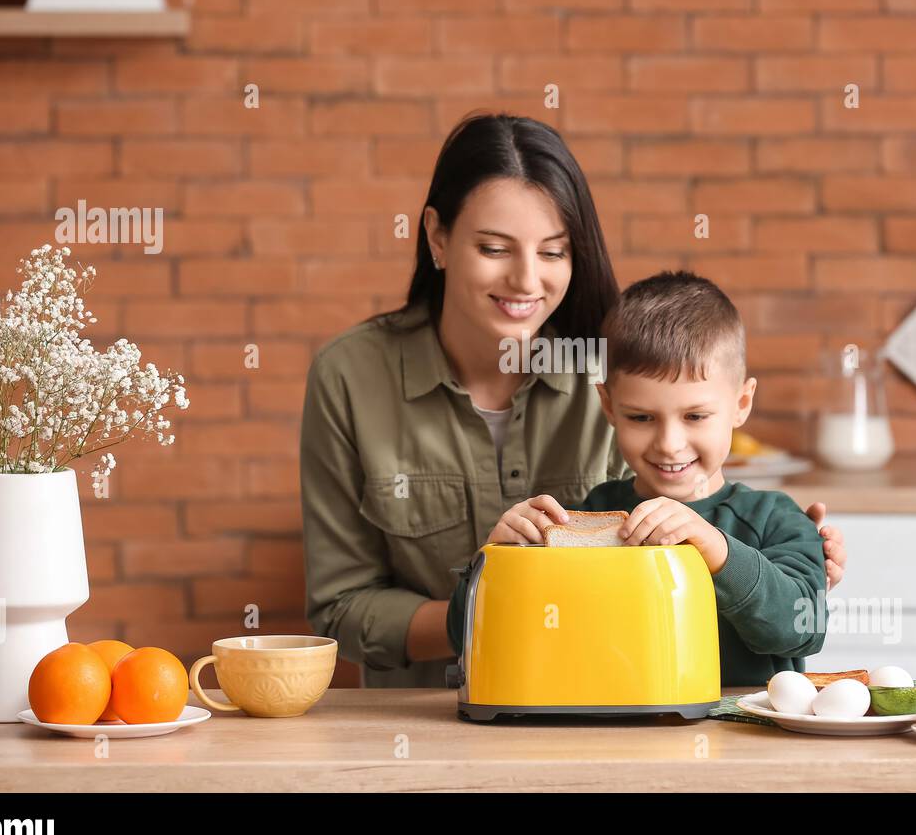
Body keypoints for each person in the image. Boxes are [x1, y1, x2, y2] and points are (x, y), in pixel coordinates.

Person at [301, 113, 847, 687]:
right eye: (493, 247)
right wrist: (496, 585)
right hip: (432, 718)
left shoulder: (614, 361)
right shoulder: (349, 376)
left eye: (554, 252)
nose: (525, 280)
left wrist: (771, 562)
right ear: (437, 237)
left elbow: (689, 505)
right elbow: (342, 610)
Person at [448, 271, 827, 684]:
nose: (668, 443)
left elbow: (802, 629)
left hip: (742, 741)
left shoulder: (775, 518)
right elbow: (466, 636)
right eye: (641, 417)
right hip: (615, 736)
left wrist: (717, 551)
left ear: (741, 403)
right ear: (608, 407)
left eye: (695, 416)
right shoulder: (583, 518)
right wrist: (496, 559)